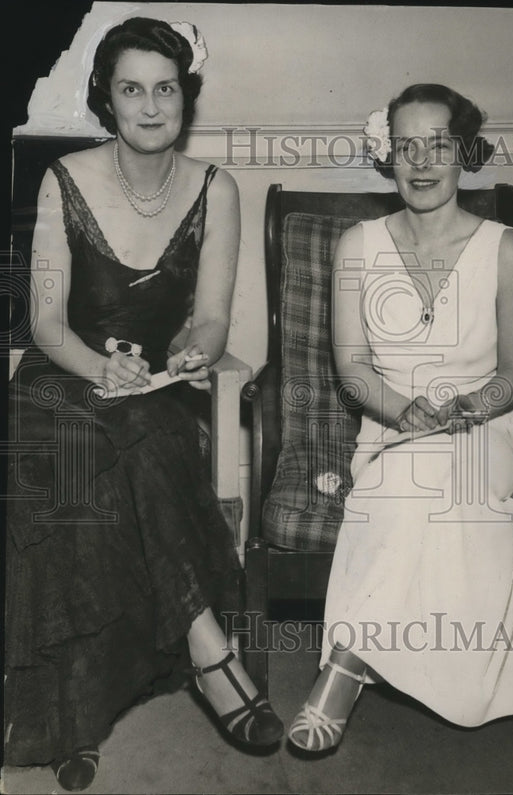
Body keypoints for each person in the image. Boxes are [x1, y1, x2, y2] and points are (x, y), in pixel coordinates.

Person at [4, 17, 282, 792]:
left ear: (185, 98)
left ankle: (80, 707)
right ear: (107, 97)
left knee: (140, 434)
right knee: (81, 450)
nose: (152, 106)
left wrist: (194, 350)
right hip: (59, 379)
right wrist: (102, 368)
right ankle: (210, 656)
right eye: (133, 89)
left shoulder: (216, 189)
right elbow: (46, 323)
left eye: (166, 89)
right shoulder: (63, 179)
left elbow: (212, 318)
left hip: (153, 388)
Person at [288, 83, 513, 752]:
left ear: (463, 152)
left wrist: (477, 405)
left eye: (438, 145)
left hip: (488, 430)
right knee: (410, 483)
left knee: (449, 483)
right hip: (391, 429)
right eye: (405, 145)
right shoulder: (358, 245)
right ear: (388, 155)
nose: (421, 161)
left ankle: (345, 665)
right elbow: (354, 366)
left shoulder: (505, 249)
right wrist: (404, 409)